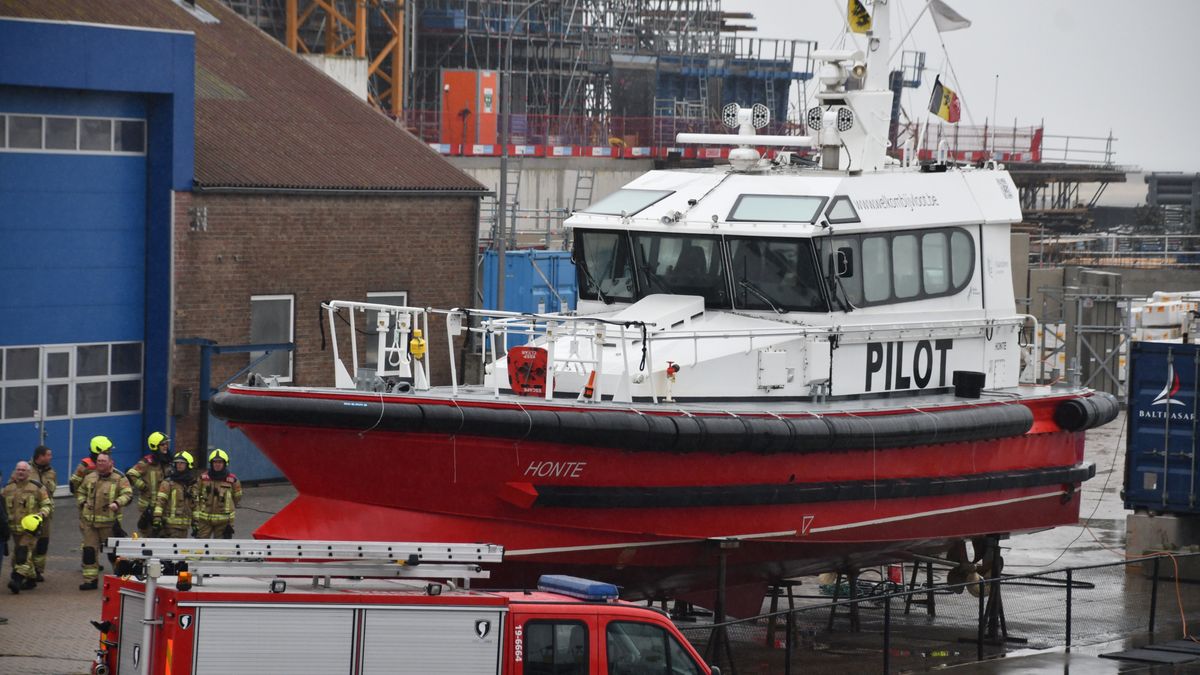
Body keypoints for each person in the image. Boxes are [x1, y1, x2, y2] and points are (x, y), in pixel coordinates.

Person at [76, 453, 131, 590]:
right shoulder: (90, 477)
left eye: (103, 461)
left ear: (110, 462)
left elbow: (128, 494)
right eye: (98, 461)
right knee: (89, 552)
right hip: (90, 523)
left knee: (114, 554)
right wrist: (83, 502)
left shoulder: (119, 478)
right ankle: (90, 580)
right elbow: (80, 491)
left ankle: (121, 580)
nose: (100, 463)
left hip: (109, 524)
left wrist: (117, 503)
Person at [2, 461, 51, 594]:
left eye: (23, 470)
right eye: (18, 469)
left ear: (29, 472)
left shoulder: (37, 487)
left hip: (30, 529)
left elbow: (47, 504)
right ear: (15, 471)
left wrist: (41, 515)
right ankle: (31, 579)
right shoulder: (7, 488)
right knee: (18, 557)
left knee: (23, 553)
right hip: (15, 530)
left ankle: (16, 581)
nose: (21, 472)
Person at [127, 432, 171, 537]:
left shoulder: (168, 461)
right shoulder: (146, 463)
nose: (166, 446)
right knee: (149, 534)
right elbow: (131, 474)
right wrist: (142, 486)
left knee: (164, 534)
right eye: (163, 444)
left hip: (163, 505)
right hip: (148, 506)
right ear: (155, 446)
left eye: (166, 444)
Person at [194, 449, 242, 539]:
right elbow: (195, 494)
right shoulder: (203, 478)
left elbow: (237, 497)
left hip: (224, 521)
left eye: (220, 462)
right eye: (215, 462)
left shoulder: (232, 480)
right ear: (211, 463)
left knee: (221, 550)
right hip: (204, 520)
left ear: (225, 463)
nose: (217, 464)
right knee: (200, 547)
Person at [153, 452, 197, 539]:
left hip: (184, 527)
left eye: (182, 463)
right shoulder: (168, 483)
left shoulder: (191, 484)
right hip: (170, 527)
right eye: (177, 463)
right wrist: (157, 519)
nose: (179, 465)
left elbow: (195, 505)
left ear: (188, 465)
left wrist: (196, 522)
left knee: (181, 551)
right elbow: (160, 502)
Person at [29, 446, 56, 581]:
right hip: (29, 513)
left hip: (45, 514)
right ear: (40, 456)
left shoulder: (51, 472)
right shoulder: (26, 470)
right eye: (48, 455)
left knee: (42, 544)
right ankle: (28, 571)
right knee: (29, 543)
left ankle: (38, 570)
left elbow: (51, 492)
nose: (51, 457)